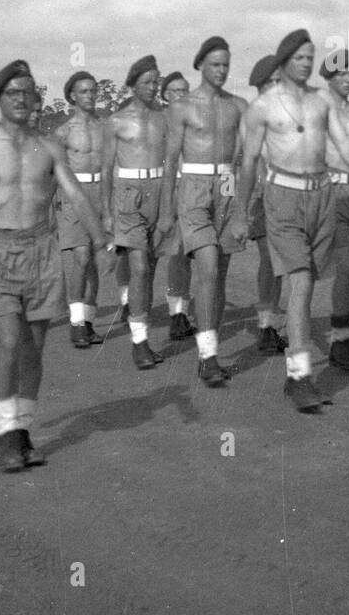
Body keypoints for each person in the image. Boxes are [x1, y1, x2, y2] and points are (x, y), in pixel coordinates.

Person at [0, 60, 112, 472]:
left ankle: (22, 431)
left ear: (37, 99)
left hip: (41, 254)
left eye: (28, 92)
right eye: (12, 92)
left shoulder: (50, 149)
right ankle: (5, 434)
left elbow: (74, 195)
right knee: (7, 344)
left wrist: (103, 241)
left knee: (34, 349)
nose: (21, 98)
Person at [231, 29, 349, 412]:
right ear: (284, 61)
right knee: (300, 283)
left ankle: (301, 364)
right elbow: (250, 162)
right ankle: (299, 375)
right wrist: (240, 213)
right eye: (299, 57)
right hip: (283, 199)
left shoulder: (322, 104)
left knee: (313, 281)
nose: (306, 63)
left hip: (323, 197)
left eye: (310, 57)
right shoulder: (263, 108)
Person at [161, 38, 245, 387]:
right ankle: (208, 356)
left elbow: (243, 160)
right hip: (193, 185)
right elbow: (169, 163)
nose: (221, 71)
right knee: (207, 267)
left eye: (226, 64)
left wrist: (240, 208)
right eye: (215, 65)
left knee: (220, 272)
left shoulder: (238, 106)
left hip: (226, 185)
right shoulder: (182, 108)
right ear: (200, 65)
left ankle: (208, 347)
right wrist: (167, 212)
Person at [101, 54, 169, 370]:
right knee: (140, 268)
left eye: (156, 81)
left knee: (150, 269)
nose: (153, 87)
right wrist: (106, 212)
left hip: (159, 193)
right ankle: (139, 343)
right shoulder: (116, 121)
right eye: (146, 82)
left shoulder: (164, 118)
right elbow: (105, 169)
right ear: (132, 85)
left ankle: (140, 325)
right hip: (128, 196)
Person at [53, 70, 108, 349]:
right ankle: (76, 324)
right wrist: (50, 211)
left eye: (92, 91)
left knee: (94, 261)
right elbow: (53, 175)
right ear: (72, 96)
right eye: (83, 91)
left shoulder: (106, 127)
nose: (89, 96)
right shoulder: (63, 132)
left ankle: (88, 321)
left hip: (101, 195)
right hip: (73, 196)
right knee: (82, 257)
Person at [322, 48, 349, 372]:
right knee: (346, 268)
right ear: (328, 78)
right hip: (331, 195)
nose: (348, 78)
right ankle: (340, 340)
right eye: (341, 73)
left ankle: (341, 337)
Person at [245, 55, 287, 354]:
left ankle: (271, 322)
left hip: (288, 197)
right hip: (261, 199)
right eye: (269, 83)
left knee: (281, 265)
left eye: (278, 81)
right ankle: (265, 326)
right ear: (259, 87)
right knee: (269, 261)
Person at [159, 70, 199, 342]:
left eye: (185, 90)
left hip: (198, 189)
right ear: (164, 95)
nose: (180, 95)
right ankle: (177, 315)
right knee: (177, 253)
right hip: (168, 189)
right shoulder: (159, 121)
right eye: (174, 91)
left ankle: (186, 313)